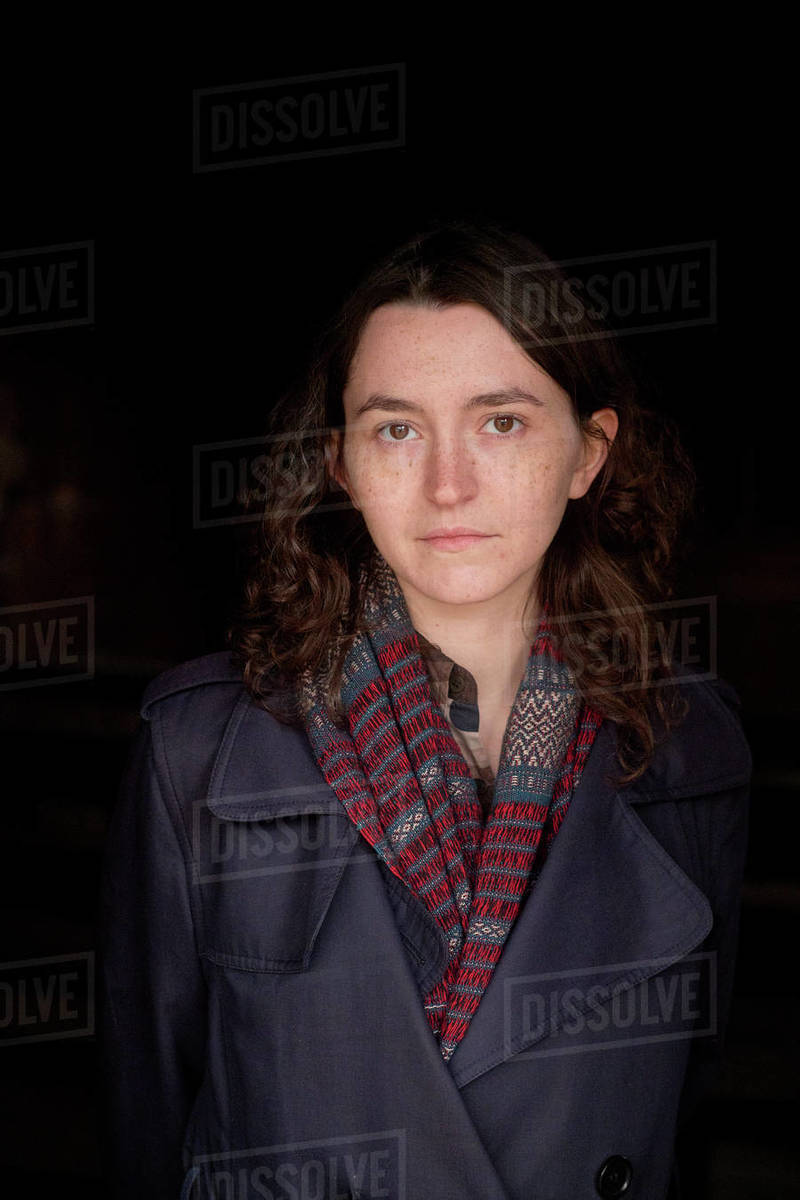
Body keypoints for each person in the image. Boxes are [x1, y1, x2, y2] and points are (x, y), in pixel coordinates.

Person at [97, 219, 751, 1200]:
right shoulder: (197, 750)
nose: (447, 485)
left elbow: (684, 1107)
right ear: (342, 464)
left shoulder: (691, 748)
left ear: (586, 455)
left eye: (501, 421)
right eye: (395, 428)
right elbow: (144, 1122)